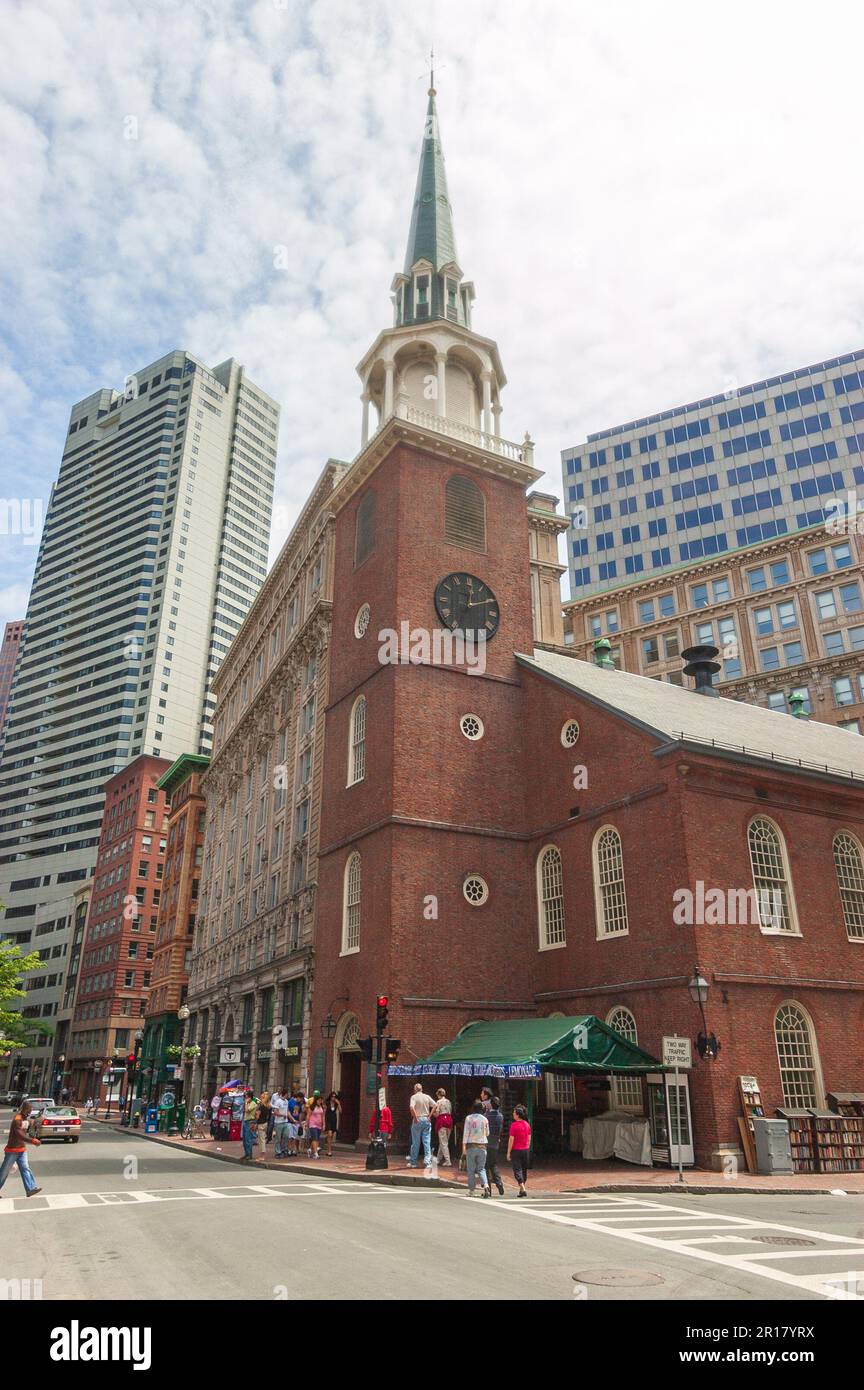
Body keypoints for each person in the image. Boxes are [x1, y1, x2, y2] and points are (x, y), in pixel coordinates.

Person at [0, 1102, 42, 1198]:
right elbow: (19, 1134)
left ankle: (30, 1189)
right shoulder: (17, 1119)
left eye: (31, 1111)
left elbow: (25, 1131)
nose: (30, 1112)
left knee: (25, 1168)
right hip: (12, 1150)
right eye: (29, 1110)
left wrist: (34, 1123)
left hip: (22, 1149)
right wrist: (32, 1141)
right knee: (4, 1172)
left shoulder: (24, 1118)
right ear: (24, 1109)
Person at [461, 1101, 490, 1197]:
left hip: (471, 1146)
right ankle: (486, 1185)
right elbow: (487, 1133)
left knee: (471, 1170)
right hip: (482, 1146)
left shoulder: (468, 1118)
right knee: (481, 1168)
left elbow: (466, 1133)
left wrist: (463, 1147)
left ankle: (472, 1191)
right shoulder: (485, 1119)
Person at [407, 1083, 435, 1169]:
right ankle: (428, 1162)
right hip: (426, 1119)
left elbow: (411, 1107)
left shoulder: (414, 1097)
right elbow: (435, 1105)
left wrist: (415, 1118)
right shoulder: (427, 1096)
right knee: (426, 1142)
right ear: (421, 1089)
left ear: (415, 1089)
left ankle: (413, 1162)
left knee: (415, 1142)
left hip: (418, 1119)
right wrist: (430, 1116)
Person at [507, 1103, 532, 1197]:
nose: (513, 1114)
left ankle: (523, 1188)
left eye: (514, 1113)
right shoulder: (527, 1125)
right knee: (524, 1170)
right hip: (525, 1150)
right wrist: (527, 1147)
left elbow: (511, 1139)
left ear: (517, 1115)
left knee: (517, 1169)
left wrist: (508, 1152)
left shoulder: (514, 1125)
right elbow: (529, 1138)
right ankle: (522, 1189)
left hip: (516, 1150)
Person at [485, 1096, 505, 1195]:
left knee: (485, 1166)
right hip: (496, 1143)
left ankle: (488, 1188)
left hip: (487, 1142)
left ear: (491, 1104)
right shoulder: (501, 1116)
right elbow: (500, 1130)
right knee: (493, 1164)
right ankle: (499, 1182)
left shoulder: (487, 1116)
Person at [432, 1089, 453, 1166]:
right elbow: (450, 1110)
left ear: (438, 1094)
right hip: (449, 1120)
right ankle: (438, 1159)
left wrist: (432, 1113)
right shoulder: (448, 1101)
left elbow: (437, 1114)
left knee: (443, 1143)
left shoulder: (438, 1102)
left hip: (442, 1121)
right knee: (443, 1142)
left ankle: (448, 1161)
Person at [271, 1087, 290, 1158]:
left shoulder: (286, 1101)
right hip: (278, 1122)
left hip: (285, 1122)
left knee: (286, 1136)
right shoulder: (278, 1101)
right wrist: (282, 1115)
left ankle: (283, 1150)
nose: (288, 1095)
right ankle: (278, 1152)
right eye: (287, 1094)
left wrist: (290, 1117)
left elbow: (287, 1111)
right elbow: (275, 1112)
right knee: (278, 1138)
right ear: (285, 1094)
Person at [286, 1088, 304, 1157]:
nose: (301, 1100)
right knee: (290, 1137)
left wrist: (300, 1123)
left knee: (294, 1137)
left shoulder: (300, 1104)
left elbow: (300, 1114)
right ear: (298, 1097)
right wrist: (292, 1119)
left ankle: (293, 1150)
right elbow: (288, 1112)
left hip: (296, 1123)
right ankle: (289, 1150)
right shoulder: (290, 1101)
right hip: (290, 1122)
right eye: (301, 1098)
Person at [305, 1092, 325, 1159]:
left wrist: (323, 1124)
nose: (320, 1102)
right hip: (312, 1124)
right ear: (316, 1101)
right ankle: (315, 1153)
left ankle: (310, 1150)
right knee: (315, 1138)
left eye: (321, 1100)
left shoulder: (321, 1107)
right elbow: (308, 1116)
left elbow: (323, 1116)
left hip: (319, 1125)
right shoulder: (312, 1107)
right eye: (319, 1100)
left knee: (317, 1139)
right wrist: (307, 1124)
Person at [241, 1090, 257, 1162]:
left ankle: (249, 1154)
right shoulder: (247, 1103)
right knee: (244, 1139)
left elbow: (247, 1110)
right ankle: (246, 1153)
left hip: (250, 1122)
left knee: (248, 1139)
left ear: (250, 1096)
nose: (246, 1097)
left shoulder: (253, 1103)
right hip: (245, 1121)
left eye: (247, 1096)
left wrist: (246, 1103)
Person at [323, 1091, 341, 1157]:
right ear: (330, 1097)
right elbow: (324, 1112)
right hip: (328, 1119)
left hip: (334, 1119)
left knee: (332, 1135)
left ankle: (329, 1150)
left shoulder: (336, 1104)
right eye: (332, 1096)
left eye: (334, 1097)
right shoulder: (327, 1103)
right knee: (329, 1134)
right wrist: (324, 1122)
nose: (333, 1098)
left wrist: (338, 1103)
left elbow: (341, 1111)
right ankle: (329, 1150)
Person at [255, 1091, 272, 1158]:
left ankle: (262, 1155)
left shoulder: (261, 1106)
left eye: (261, 1097)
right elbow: (269, 1116)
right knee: (263, 1139)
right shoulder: (268, 1106)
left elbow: (257, 1116)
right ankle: (262, 1154)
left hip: (261, 1123)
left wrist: (256, 1122)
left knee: (261, 1140)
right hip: (265, 1123)